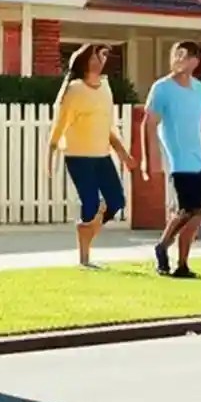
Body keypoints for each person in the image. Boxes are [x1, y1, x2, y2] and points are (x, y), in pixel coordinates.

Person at [48, 43, 136, 268]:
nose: (100, 61)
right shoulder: (75, 90)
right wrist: (50, 155)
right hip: (78, 155)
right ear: (84, 61)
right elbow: (60, 124)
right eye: (95, 57)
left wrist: (123, 154)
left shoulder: (105, 87)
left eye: (103, 56)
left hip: (101, 155)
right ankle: (84, 258)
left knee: (116, 201)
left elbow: (108, 126)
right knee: (90, 203)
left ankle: (86, 231)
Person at [144, 41, 201, 278]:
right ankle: (162, 246)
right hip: (179, 162)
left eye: (186, 56)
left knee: (198, 214)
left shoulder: (200, 89)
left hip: (200, 161)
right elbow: (149, 124)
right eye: (177, 55)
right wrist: (150, 159)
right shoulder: (162, 88)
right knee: (188, 209)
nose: (180, 60)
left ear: (195, 61)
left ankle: (182, 264)